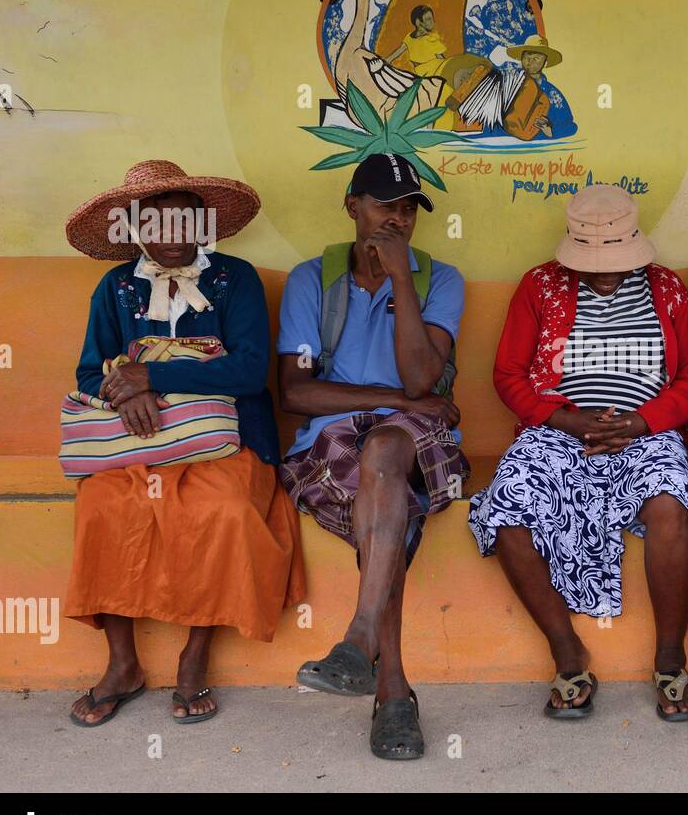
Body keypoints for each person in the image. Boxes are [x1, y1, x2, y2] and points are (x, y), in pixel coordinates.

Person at [63, 159, 306, 727]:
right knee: (103, 507)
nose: (169, 238)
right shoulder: (117, 287)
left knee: (218, 510)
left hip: (228, 439)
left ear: (203, 227)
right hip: (139, 442)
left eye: (183, 224)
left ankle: (195, 659)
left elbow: (249, 372)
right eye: (155, 224)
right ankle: (122, 663)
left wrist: (157, 377)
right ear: (135, 230)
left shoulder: (235, 278)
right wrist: (126, 394)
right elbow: (87, 372)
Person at [468, 184, 688, 720]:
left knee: (672, 505)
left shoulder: (666, 288)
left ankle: (671, 656)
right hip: (557, 430)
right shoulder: (540, 285)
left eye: (616, 262)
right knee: (506, 507)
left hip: (645, 431)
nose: (605, 272)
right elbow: (508, 374)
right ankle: (566, 650)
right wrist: (563, 419)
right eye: (593, 262)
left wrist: (642, 421)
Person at [276, 153, 468, 761]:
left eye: (409, 207)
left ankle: (360, 637)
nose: (399, 218)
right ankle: (393, 693)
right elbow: (297, 392)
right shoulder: (313, 279)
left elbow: (420, 380)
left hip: (415, 439)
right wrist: (386, 397)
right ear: (352, 205)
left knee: (385, 449)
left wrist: (402, 281)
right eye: (386, 204)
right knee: (384, 503)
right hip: (332, 443)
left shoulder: (441, 279)